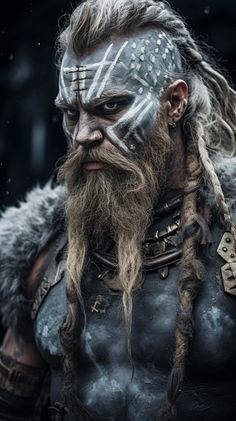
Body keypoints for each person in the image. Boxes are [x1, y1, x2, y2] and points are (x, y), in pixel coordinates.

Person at [0, 0, 236, 420]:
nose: (84, 135)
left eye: (109, 107)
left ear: (174, 101)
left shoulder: (230, 237)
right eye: (71, 114)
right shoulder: (39, 253)